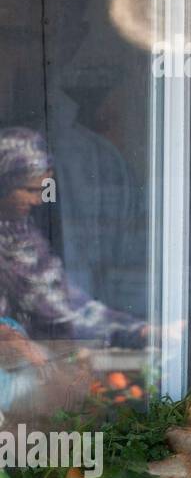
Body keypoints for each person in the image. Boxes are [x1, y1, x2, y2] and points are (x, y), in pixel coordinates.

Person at [0, 128, 147, 347]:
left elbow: (59, 293)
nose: (37, 200)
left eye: (41, 190)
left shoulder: (18, 231)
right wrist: (131, 332)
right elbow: (52, 308)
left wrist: (135, 329)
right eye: (29, 190)